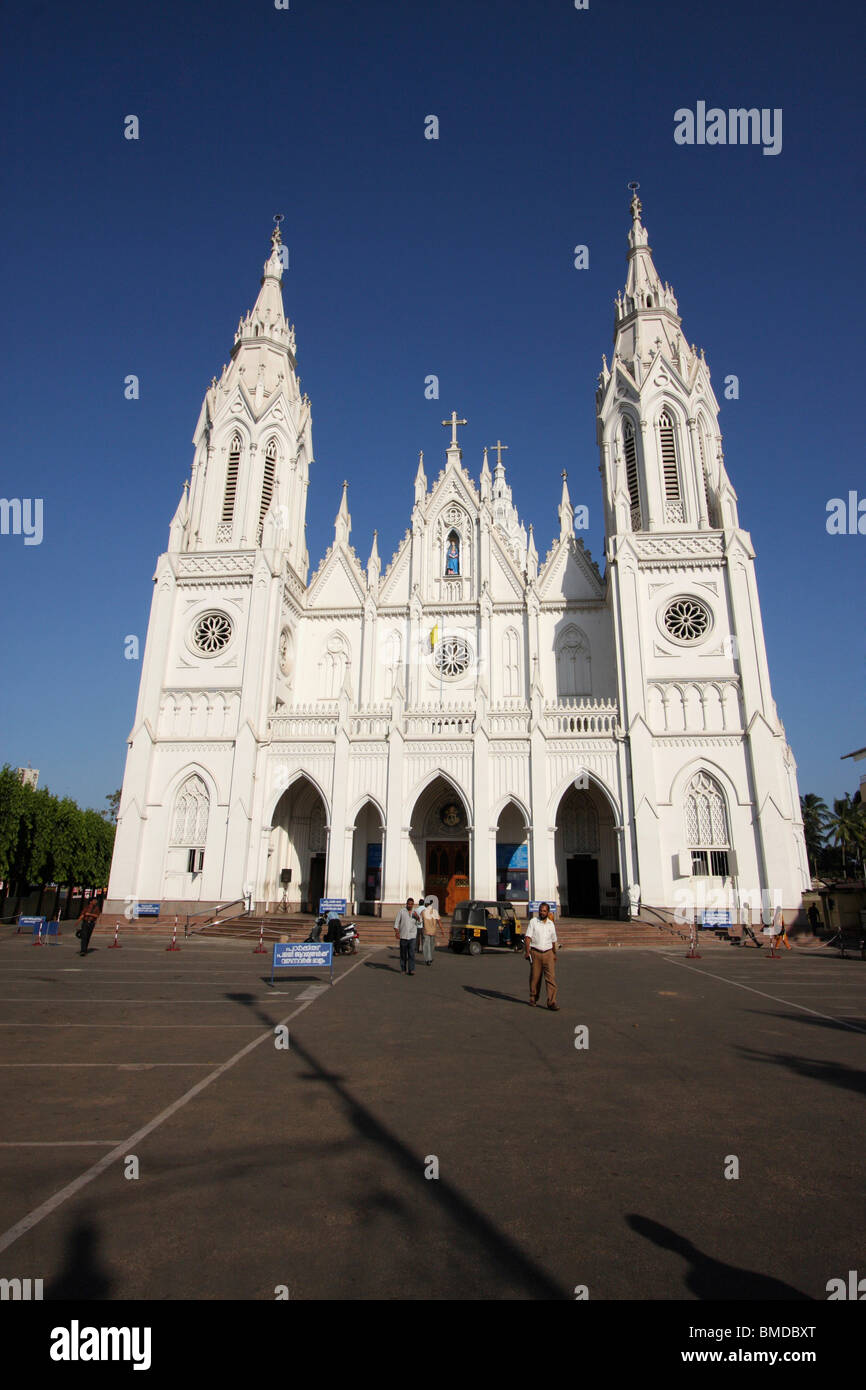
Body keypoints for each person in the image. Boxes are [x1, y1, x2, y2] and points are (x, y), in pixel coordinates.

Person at [524, 901, 560, 1010]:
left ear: (548, 912)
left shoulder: (551, 924)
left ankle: (552, 1001)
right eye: (540, 910)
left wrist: (554, 954)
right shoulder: (533, 922)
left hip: (548, 953)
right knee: (535, 977)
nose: (542, 912)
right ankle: (533, 997)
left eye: (544, 911)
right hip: (536, 952)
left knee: (551, 979)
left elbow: (554, 941)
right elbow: (528, 937)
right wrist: (527, 951)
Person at [394, 898, 421, 975]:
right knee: (403, 954)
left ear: (413, 905)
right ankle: (403, 969)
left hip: (412, 936)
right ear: (406, 904)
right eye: (408, 904)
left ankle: (411, 969)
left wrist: (418, 918)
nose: (410, 905)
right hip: (403, 936)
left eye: (411, 904)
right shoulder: (401, 911)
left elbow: (420, 924)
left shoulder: (415, 912)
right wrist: (397, 932)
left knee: (411, 953)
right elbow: (396, 923)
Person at [420, 895, 442, 965]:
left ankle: (428, 959)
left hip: (426, 930)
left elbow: (420, 921)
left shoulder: (423, 911)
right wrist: (442, 929)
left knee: (426, 944)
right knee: (432, 944)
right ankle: (430, 957)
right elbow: (439, 921)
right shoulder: (435, 911)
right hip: (433, 930)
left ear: (426, 904)